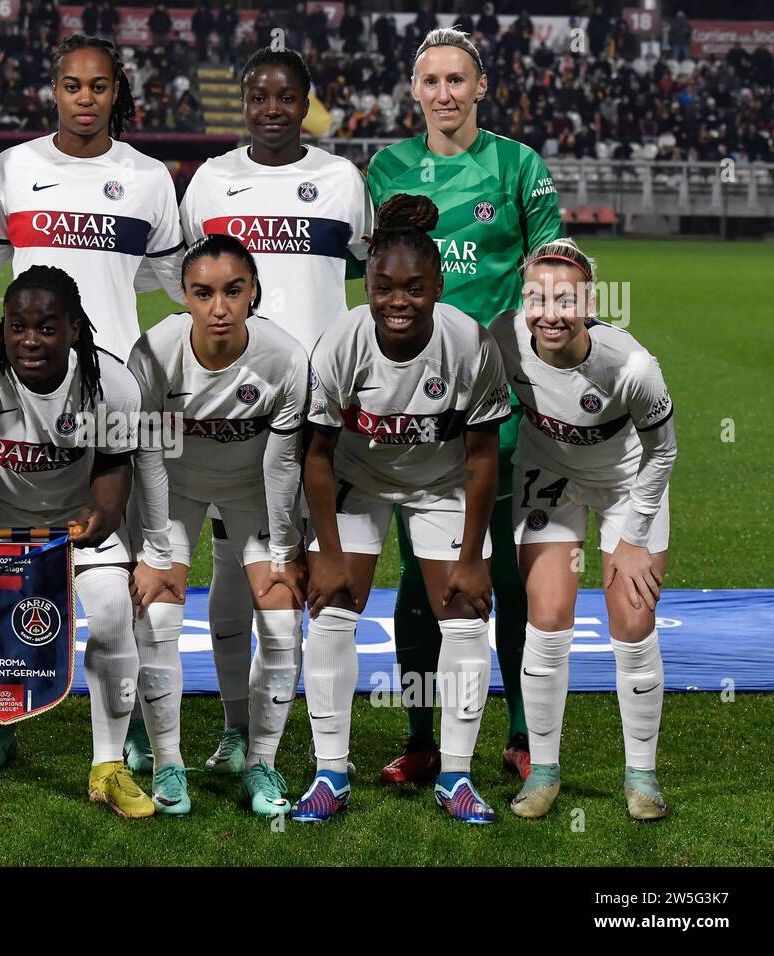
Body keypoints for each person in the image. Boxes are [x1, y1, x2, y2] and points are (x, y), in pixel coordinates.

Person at [0, 33, 185, 770]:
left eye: (100, 86)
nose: (86, 99)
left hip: (120, 390)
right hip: (21, 391)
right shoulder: (14, 168)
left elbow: (174, 280)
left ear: (118, 92)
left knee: (137, 556)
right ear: (55, 89)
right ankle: (3, 712)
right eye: (73, 86)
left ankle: (142, 719)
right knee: (13, 561)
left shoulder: (149, 178)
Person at [366, 28, 564, 784]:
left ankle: (517, 729)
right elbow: (377, 279)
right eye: (431, 81)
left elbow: (552, 265)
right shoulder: (386, 168)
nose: (444, 93)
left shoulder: (517, 165)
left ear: (481, 87)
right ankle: (421, 739)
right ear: (413, 90)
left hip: (504, 404)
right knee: (420, 577)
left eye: (457, 79)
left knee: (504, 573)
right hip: (411, 406)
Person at [178, 47, 372, 773]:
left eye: (285, 96)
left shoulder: (341, 181)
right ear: (243, 101)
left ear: (305, 101)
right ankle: (238, 732)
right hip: (236, 414)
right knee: (236, 569)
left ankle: (321, 743)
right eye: (257, 95)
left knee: (312, 570)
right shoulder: (211, 182)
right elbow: (193, 284)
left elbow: (363, 266)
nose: (270, 108)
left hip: (324, 414)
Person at [297, 194, 510, 824]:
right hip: (357, 478)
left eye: (414, 288)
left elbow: (481, 459)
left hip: (441, 483)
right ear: (366, 286)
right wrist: (330, 556)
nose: (398, 301)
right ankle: (330, 772)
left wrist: (472, 560)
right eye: (384, 287)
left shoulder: (469, 343)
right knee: (332, 610)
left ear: (438, 286)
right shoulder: (341, 343)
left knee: (467, 617)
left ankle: (456, 776)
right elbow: (315, 455)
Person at [0, 265, 151, 821]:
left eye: (46, 327)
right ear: (2, 327)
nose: (30, 340)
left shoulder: (113, 382)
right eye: (17, 326)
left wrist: (103, 517)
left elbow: (113, 468)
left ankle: (108, 768)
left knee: (109, 616)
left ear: (75, 329)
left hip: (73, 523)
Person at [490, 240, 675, 822]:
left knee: (634, 622)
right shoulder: (503, 338)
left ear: (589, 302)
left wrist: (634, 537)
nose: (549, 312)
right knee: (546, 619)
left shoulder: (632, 366)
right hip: (550, 475)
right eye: (536, 298)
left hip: (628, 484)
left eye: (564, 300)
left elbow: (663, 452)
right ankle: (543, 772)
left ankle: (641, 777)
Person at [129, 235, 308, 818]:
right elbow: (147, 457)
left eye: (234, 291)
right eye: (203, 294)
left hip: (252, 491)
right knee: (157, 611)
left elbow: (282, 464)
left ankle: (261, 761)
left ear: (254, 290)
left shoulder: (284, 358)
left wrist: (284, 549)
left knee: (281, 619)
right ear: (184, 295)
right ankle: (169, 761)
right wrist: (158, 548)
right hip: (172, 490)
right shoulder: (154, 353)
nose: (220, 308)